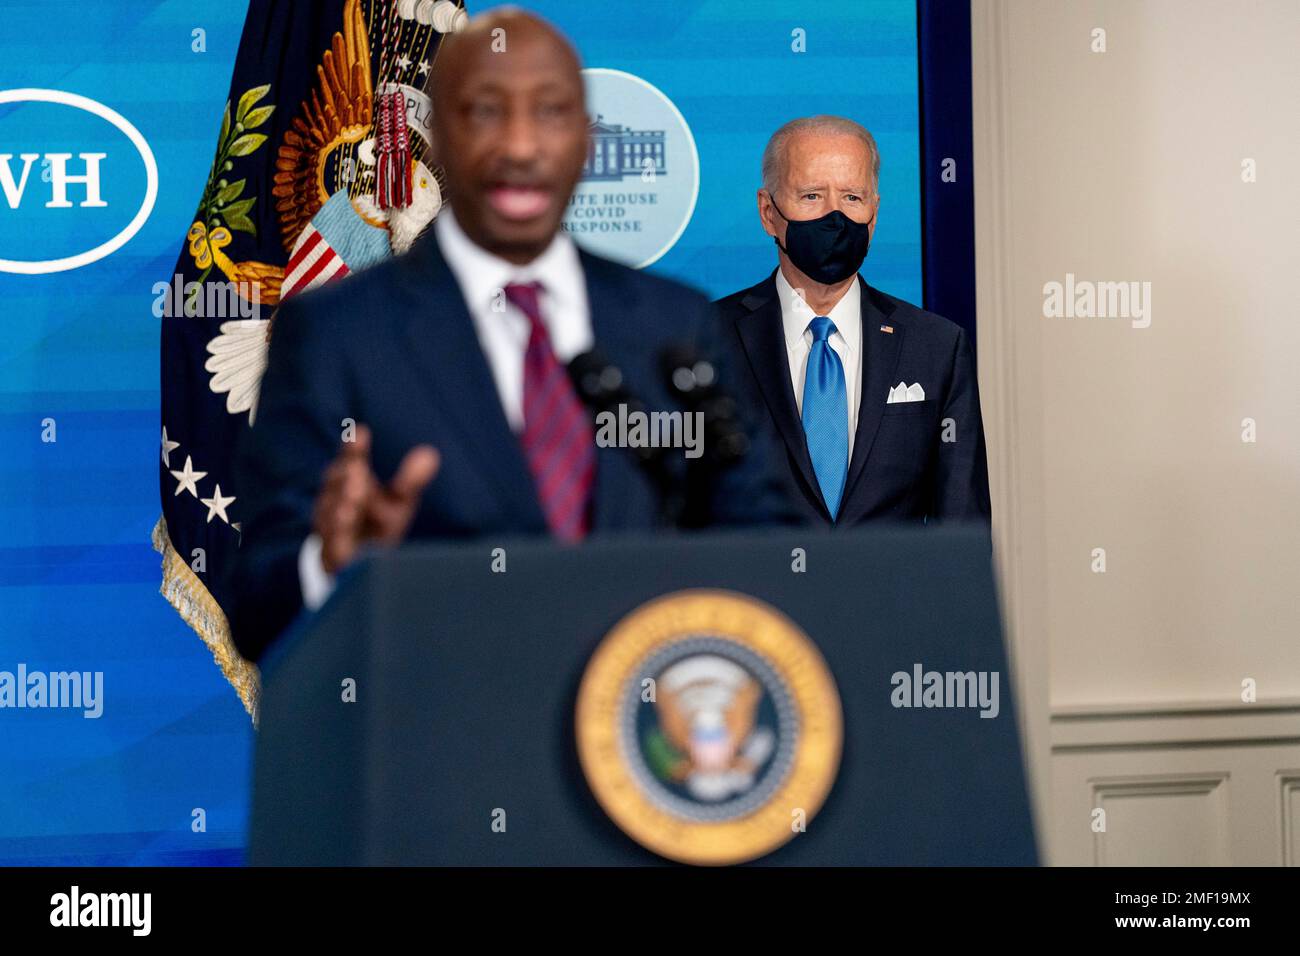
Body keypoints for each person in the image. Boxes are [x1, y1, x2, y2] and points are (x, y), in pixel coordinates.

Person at [226, 10, 790, 663]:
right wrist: (332, 564)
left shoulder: (674, 325)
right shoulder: (335, 333)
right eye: (484, 112)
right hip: (442, 718)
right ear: (440, 136)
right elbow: (258, 610)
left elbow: (773, 546)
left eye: (550, 112)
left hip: (641, 715)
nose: (520, 147)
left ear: (584, 140)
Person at [712, 115, 990, 527]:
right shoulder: (707, 338)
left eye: (852, 198)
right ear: (768, 211)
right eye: (811, 196)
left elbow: (963, 527)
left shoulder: (936, 347)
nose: (835, 216)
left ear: (873, 214)